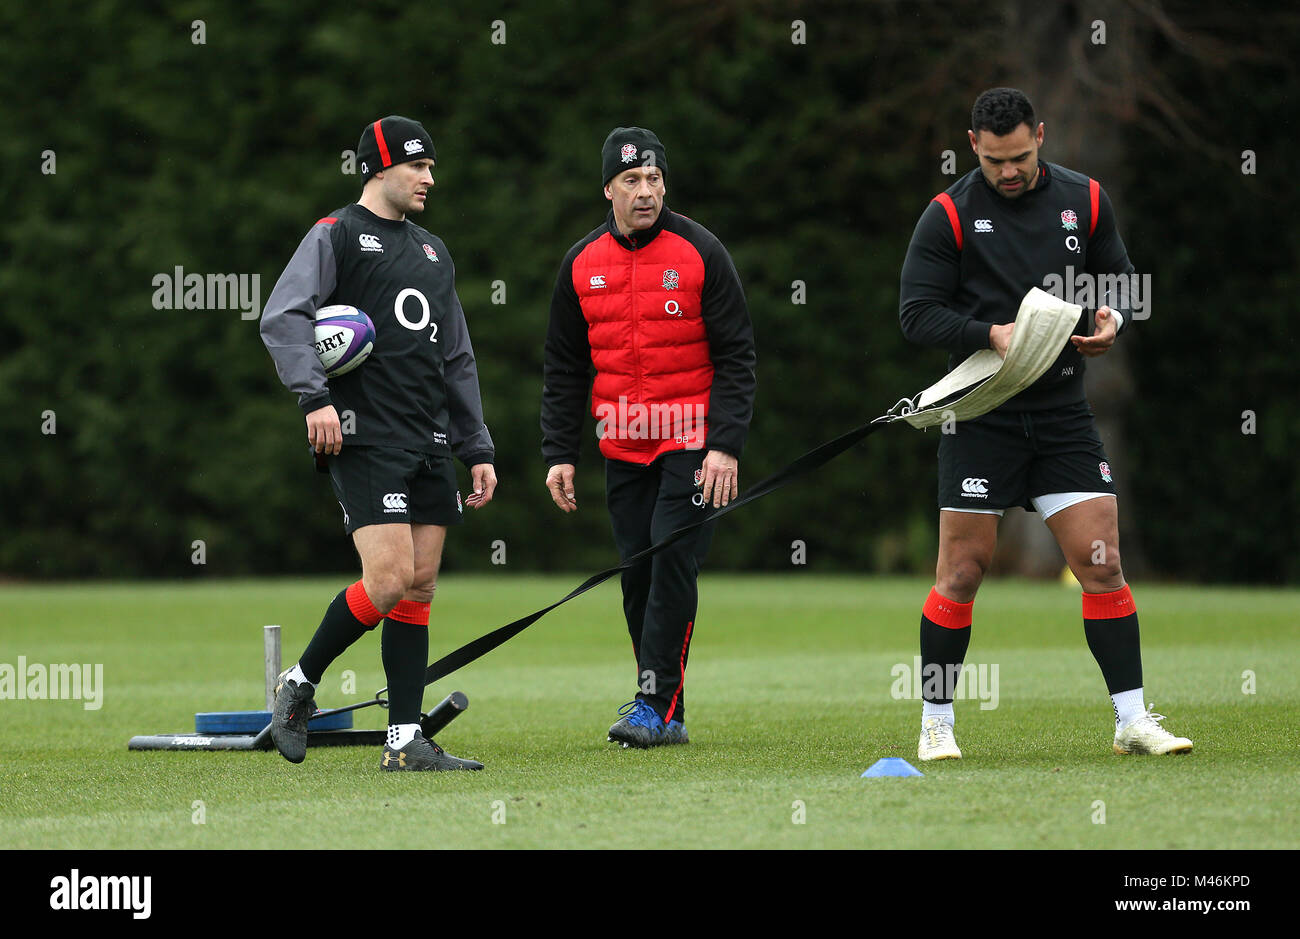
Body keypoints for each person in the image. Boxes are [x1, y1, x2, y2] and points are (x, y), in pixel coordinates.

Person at [898, 88, 1191, 761]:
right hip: (980, 417)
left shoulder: (1085, 199)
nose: (1009, 171)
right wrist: (988, 333)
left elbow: (1122, 282)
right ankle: (936, 722)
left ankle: (1132, 719)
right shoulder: (947, 214)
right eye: (996, 160)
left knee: (1102, 562)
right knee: (962, 572)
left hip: (1061, 415)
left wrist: (1113, 319)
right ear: (974, 145)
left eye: (1022, 158)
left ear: (1042, 136)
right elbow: (916, 314)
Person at [259, 115, 496, 771]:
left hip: (430, 440)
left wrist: (475, 444)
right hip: (366, 438)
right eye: (417, 167)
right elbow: (284, 316)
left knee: (418, 587)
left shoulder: (433, 252)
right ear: (378, 169)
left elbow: (457, 356)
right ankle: (300, 683)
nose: (428, 178)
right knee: (387, 579)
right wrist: (315, 397)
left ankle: (402, 743)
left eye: (431, 168)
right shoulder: (336, 234)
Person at [541, 127, 757, 749]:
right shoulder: (581, 263)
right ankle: (666, 709)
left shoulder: (701, 251)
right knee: (637, 574)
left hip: (691, 441)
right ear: (607, 188)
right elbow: (563, 366)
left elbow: (738, 355)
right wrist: (559, 452)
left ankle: (653, 703)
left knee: (671, 562)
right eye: (631, 181)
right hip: (622, 444)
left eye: (654, 179)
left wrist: (725, 444)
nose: (645, 192)